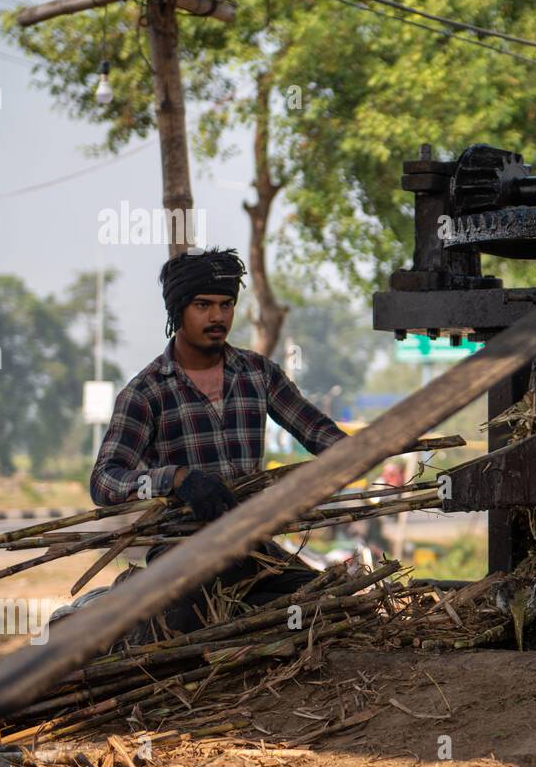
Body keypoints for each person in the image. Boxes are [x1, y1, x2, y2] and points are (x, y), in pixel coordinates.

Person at [87, 247, 347, 645]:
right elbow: (105, 482)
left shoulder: (258, 374)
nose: (217, 317)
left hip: (250, 549)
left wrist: (372, 448)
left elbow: (320, 434)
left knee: (328, 606)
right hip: (181, 553)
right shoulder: (146, 392)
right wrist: (176, 479)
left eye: (226, 305)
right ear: (178, 311)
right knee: (179, 637)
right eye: (202, 305)